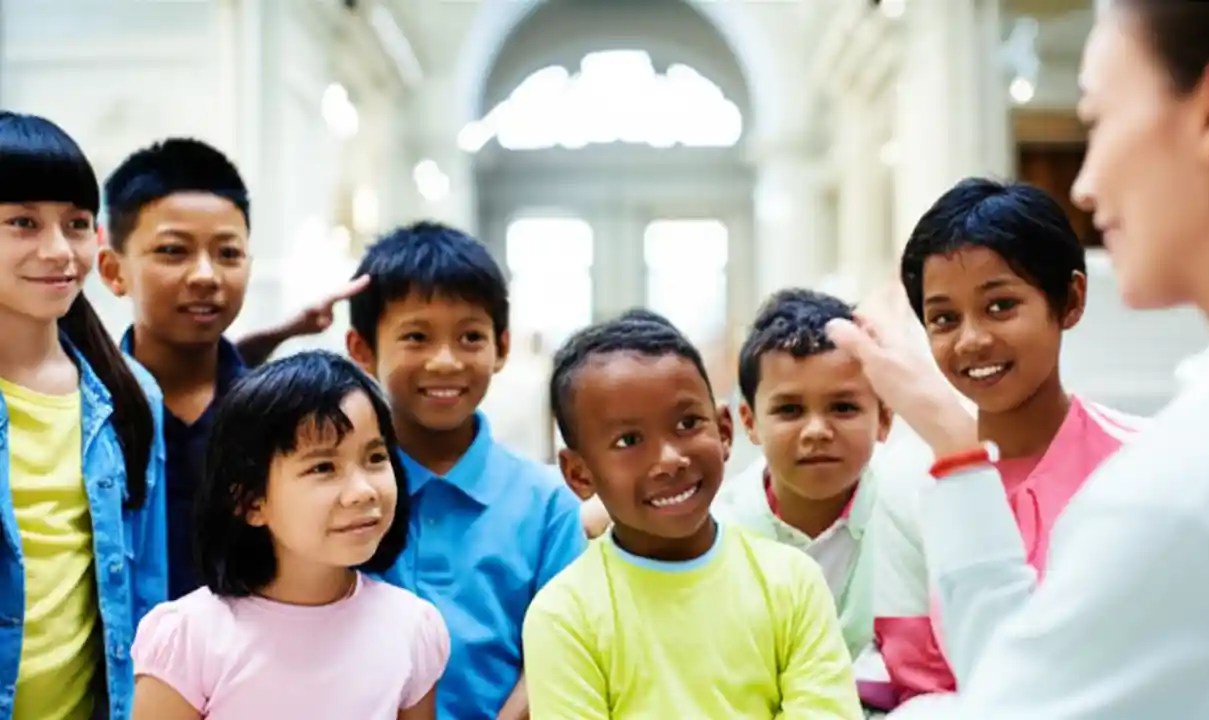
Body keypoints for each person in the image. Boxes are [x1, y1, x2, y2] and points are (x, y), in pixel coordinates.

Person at [827, 2, 1209, 716]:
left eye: (1096, 122)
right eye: (943, 317)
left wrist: (951, 443)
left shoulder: (1194, 475)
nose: (1086, 183)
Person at [872, 178, 1143, 704]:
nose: (971, 339)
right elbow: (920, 686)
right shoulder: (906, 492)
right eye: (944, 318)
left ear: (1070, 299)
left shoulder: (1144, 463)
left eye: (1000, 306)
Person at [524, 309, 862, 719]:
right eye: (629, 440)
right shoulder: (564, 615)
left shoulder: (792, 582)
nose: (669, 459)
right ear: (579, 473)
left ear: (723, 431)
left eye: (687, 423)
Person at [98, 138, 366, 598]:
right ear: (112, 270)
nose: (206, 275)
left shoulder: (275, 418)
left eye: (228, 254)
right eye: (173, 251)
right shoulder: (88, 409)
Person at [345, 221, 586, 720]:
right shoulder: (343, 495)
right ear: (362, 349)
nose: (445, 361)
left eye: (470, 337)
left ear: (502, 347)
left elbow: (560, 653)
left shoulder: (546, 505)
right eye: (416, 337)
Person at [130, 351, 449, 719]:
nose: (363, 491)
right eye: (324, 467)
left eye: (375, 458)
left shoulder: (411, 628)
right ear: (251, 502)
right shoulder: (190, 637)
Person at [0, 111, 167, 720]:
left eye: (75, 224)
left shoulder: (129, 398)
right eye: (22, 222)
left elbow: (148, 593)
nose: (59, 251)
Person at [714, 289, 892, 669]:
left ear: (884, 418)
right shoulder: (717, 532)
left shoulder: (907, 519)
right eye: (790, 410)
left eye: (843, 408)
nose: (816, 431)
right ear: (750, 423)